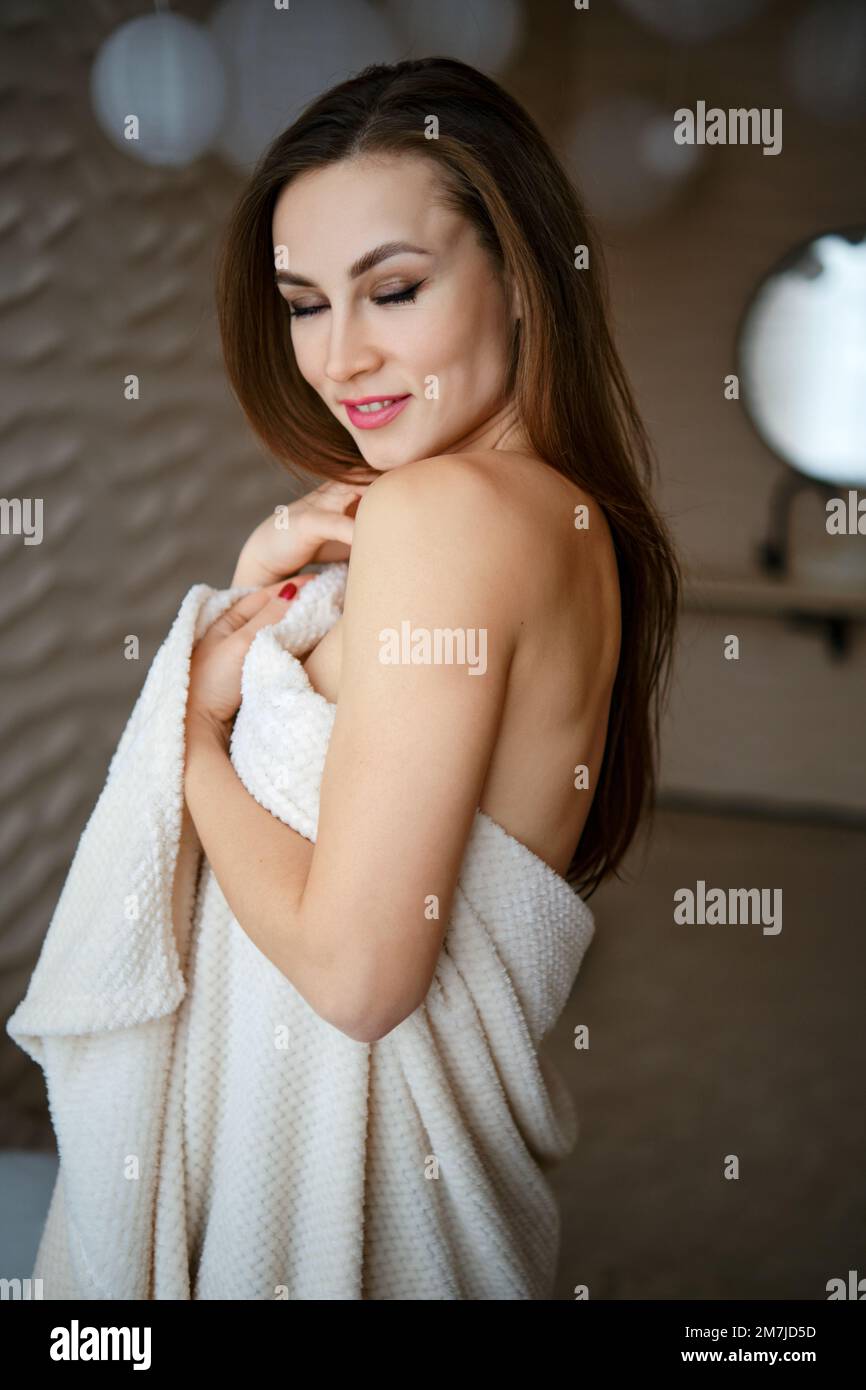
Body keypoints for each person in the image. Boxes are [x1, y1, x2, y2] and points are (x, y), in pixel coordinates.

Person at [24, 56, 681, 1301]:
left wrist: (193, 737)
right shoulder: (555, 518)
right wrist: (258, 604)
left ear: (521, 277)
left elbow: (359, 975)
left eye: (392, 289)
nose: (339, 358)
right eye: (303, 303)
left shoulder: (447, 512)